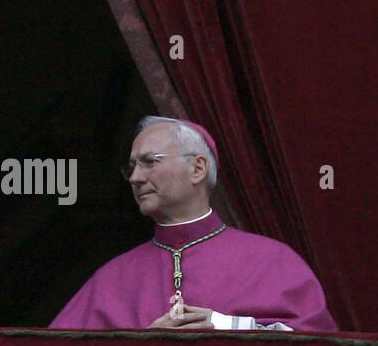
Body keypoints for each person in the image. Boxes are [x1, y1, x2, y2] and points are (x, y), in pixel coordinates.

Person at [50, 116, 336, 331]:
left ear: (197, 168)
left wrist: (225, 326)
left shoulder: (273, 260)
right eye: (132, 166)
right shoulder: (111, 278)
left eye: (150, 161)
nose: (135, 177)